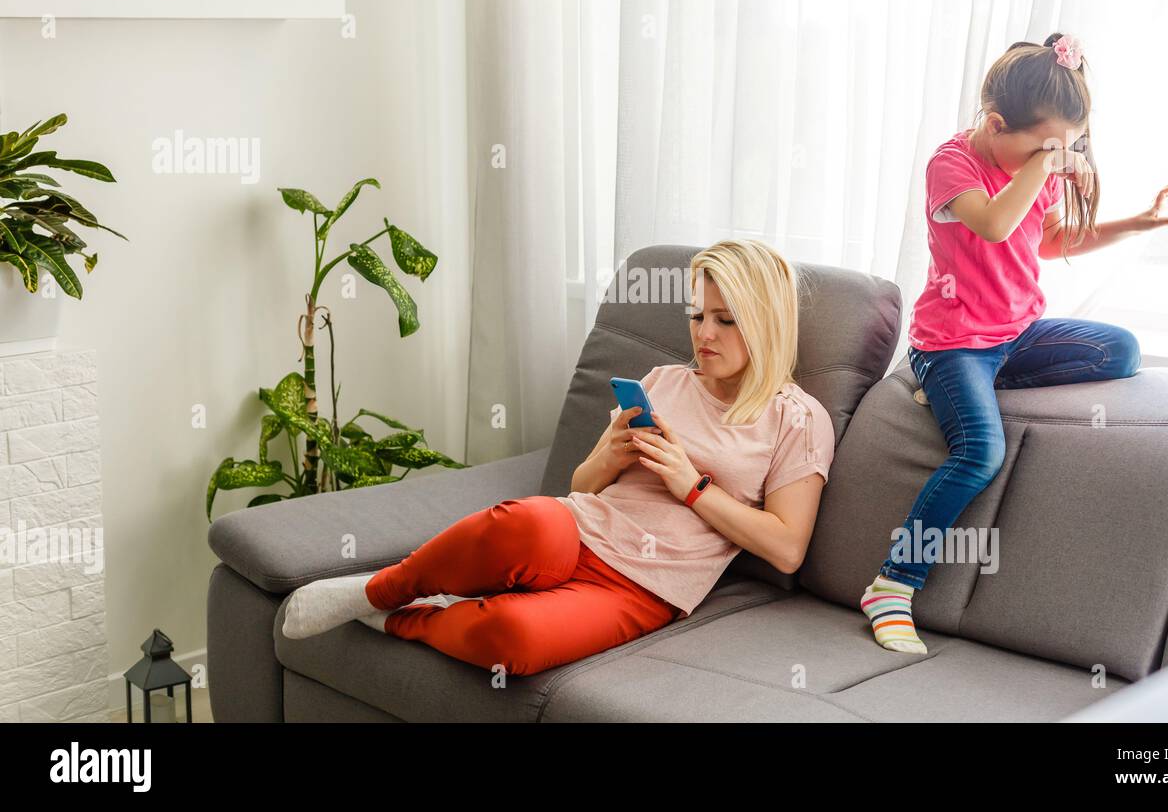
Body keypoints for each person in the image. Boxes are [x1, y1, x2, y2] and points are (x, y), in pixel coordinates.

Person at [283, 238, 836, 676]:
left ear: (764, 322)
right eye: (697, 315)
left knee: (513, 642)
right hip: (578, 530)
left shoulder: (798, 417)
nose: (702, 334)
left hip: (646, 587)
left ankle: (398, 618)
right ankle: (373, 589)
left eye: (725, 319)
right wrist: (611, 454)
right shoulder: (663, 382)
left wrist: (691, 485)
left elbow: (786, 549)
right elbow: (581, 484)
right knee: (523, 521)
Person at [864, 33, 1168, 655]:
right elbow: (995, 222)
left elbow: (1048, 239)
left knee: (1120, 349)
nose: (1055, 159)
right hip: (952, 343)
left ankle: (972, 389)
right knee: (980, 452)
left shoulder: (1030, 165)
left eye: (1064, 147)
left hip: (1015, 335)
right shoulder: (951, 165)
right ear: (995, 123)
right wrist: (1044, 163)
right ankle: (893, 583)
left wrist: (1134, 224)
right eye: (1041, 145)